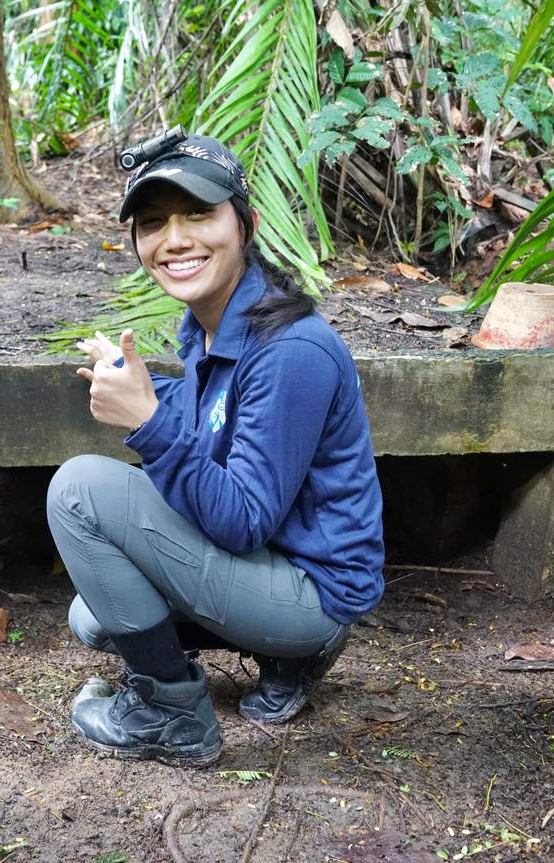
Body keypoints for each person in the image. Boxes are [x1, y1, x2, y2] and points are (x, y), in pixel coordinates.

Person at [45, 132, 385, 767]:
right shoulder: (211, 325)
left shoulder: (292, 351)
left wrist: (146, 421)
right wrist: (155, 398)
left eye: (199, 214)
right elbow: (219, 427)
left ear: (246, 224)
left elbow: (243, 519)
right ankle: (283, 658)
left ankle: (171, 714)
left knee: (78, 490)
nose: (175, 239)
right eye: (153, 224)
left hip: (313, 590)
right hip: (270, 564)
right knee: (95, 616)